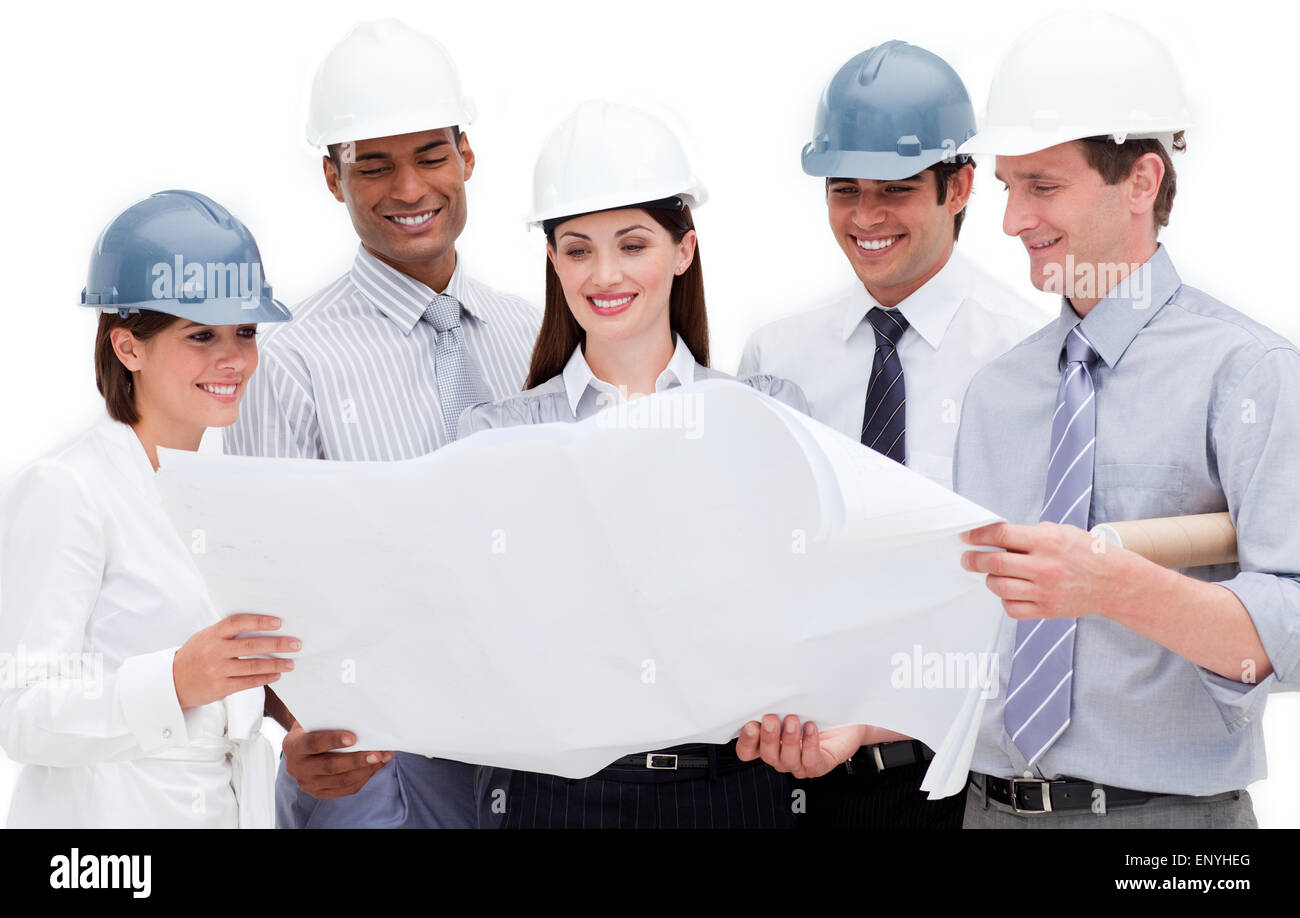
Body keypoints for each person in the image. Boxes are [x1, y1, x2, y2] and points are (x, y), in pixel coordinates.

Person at [742, 12, 1300, 828]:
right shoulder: (1001, 390)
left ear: (1141, 182)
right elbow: (985, 643)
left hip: (1164, 828)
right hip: (988, 813)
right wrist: (862, 727)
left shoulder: (1247, 371)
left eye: (1044, 187)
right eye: (1010, 187)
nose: (1010, 222)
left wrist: (1116, 587)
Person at [224, 19, 540, 829]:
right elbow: (268, 587)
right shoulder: (290, 358)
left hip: (534, 748)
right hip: (374, 760)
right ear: (334, 178)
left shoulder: (531, 333)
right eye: (375, 166)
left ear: (466, 155)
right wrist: (300, 732)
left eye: (430, 156)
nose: (409, 189)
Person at [460, 100, 809, 828]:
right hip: (558, 796)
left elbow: (803, 604)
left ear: (683, 250)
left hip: (733, 789)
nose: (604, 273)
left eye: (632, 244)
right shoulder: (497, 436)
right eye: (578, 248)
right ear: (552, 260)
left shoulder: (765, 413)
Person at [734, 41, 1046, 828]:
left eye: (896, 190)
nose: (866, 217)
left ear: (960, 185)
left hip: (957, 775)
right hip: (794, 777)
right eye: (846, 191)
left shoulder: (1028, 358)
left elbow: (1034, 595)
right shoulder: (779, 356)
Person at [0, 190, 298, 828]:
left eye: (244, 332)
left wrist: (285, 706)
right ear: (128, 347)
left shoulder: (227, 495)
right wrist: (175, 679)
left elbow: (221, 694)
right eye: (201, 335)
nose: (233, 360)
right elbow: (20, 714)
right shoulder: (67, 490)